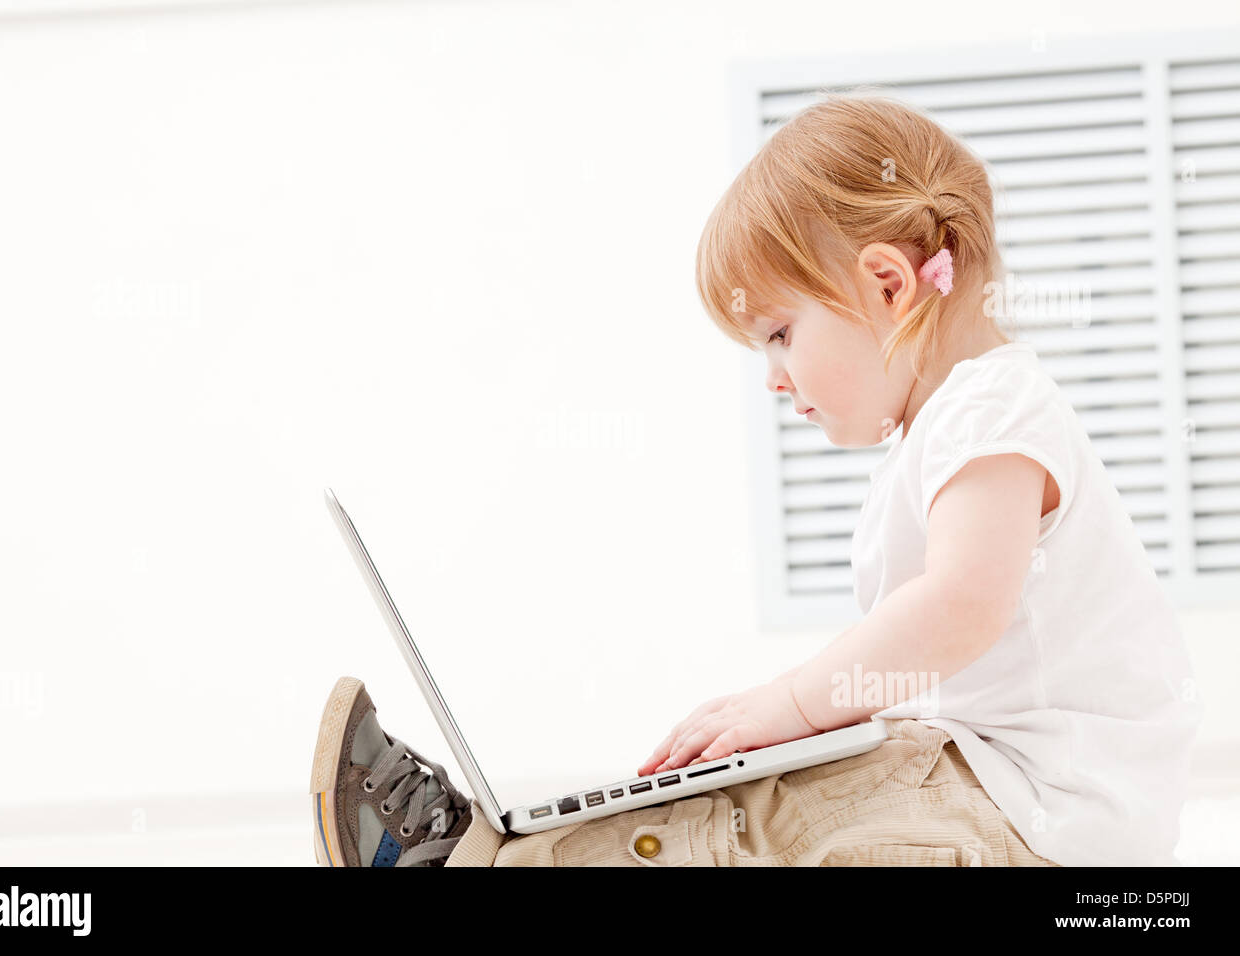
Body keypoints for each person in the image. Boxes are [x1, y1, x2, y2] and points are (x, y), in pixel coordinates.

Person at [309, 94, 1203, 867]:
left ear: (890, 286)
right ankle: (500, 849)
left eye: (779, 334)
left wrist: (797, 703)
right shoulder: (955, 424)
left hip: (1048, 825)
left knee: (760, 827)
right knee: (755, 805)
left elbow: (963, 606)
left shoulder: (994, 408)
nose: (775, 378)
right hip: (1002, 793)